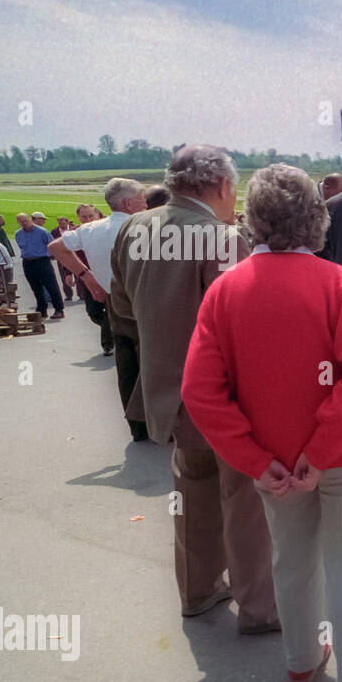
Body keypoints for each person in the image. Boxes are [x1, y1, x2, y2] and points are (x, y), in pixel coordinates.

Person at [181, 163, 342, 682]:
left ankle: (302, 660)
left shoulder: (224, 292)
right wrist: (320, 453)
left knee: (291, 559)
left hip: (273, 459)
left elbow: (200, 391)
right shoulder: (340, 284)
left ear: (253, 220)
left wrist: (255, 460)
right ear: (316, 218)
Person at [110, 144, 279, 631]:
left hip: (167, 392)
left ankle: (198, 591)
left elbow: (120, 308)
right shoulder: (222, 239)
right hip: (223, 399)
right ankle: (260, 609)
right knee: (243, 504)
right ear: (222, 186)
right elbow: (243, 331)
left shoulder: (136, 228)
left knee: (191, 498)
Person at [49, 178, 147, 359]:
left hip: (114, 300)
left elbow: (55, 247)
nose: (146, 203)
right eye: (142, 198)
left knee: (126, 360)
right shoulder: (147, 226)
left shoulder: (90, 229)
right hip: (144, 302)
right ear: (128, 203)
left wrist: (87, 277)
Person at [14, 212, 65, 319]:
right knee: (35, 287)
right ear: (18, 222)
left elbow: (52, 244)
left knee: (51, 286)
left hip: (42, 260)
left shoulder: (42, 232)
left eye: (26, 221)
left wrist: (51, 256)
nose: (24, 223)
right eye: (21, 222)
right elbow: (21, 246)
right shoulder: (18, 234)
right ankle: (42, 309)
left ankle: (59, 309)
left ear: (30, 220)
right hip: (28, 262)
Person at [50, 216, 80, 302]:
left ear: (66, 222)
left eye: (62, 223)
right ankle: (68, 294)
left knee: (78, 274)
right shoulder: (55, 231)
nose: (61, 225)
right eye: (59, 223)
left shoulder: (73, 229)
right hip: (62, 256)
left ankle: (81, 294)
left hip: (75, 255)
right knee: (64, 276)